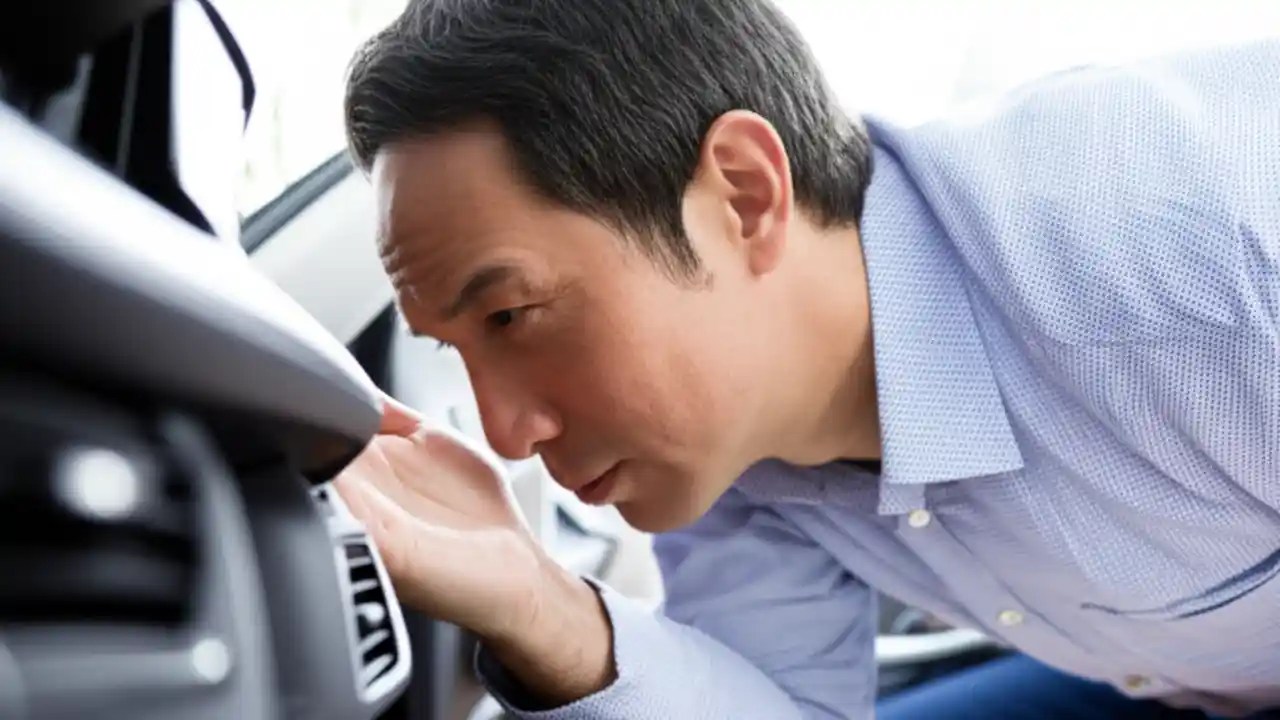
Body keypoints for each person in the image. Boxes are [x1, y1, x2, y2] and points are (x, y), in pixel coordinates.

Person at [333, 0, 1280, 717]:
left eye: (510, 315)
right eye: (458, 352)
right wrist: (538, 604)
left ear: (743, 195)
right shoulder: (734, 455)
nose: (506, 433)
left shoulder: (1201, 268)